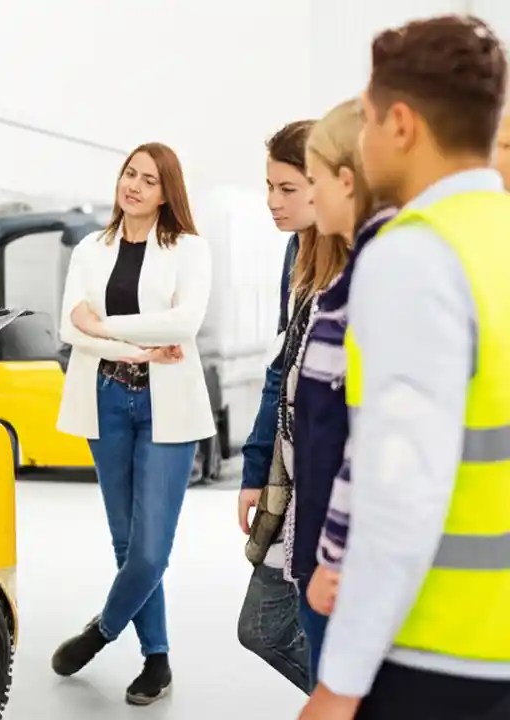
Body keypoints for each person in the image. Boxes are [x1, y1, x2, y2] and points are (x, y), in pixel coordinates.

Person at [300, 15, 510, 720]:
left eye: (363, 119)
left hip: (437, 651)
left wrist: (339, 684)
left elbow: (401, 492)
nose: (359, 141)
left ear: (400, 124)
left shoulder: (415, 256)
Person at [50, 142, 216, 706]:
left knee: (149, 549)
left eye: (149, 179)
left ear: (168, 192)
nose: (135, 185)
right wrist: (139, 348)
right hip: (106, 399)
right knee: (126, 542)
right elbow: (70, 329)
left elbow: (185, 321)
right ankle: (157, 658)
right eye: (129, 173)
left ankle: (100, 631)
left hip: (167, 407)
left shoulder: (190, 248)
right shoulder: (90, 249)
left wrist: (107, 326)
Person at [283, 98, 392, 682]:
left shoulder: (381, 276)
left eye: (313, 181)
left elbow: (381, 437)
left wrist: (335, 555)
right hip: (322, 540)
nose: (306, 197)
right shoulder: (348, 281)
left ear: (346, 181)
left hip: (347, 561)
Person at [235, 119, 315, 694]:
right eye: (269, 186)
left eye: (286, 189)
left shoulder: (370, 255)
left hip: (337, 483)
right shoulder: (296, 249)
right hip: (289, 472)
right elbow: (280, 366)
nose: (272, 202)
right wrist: (254, 470)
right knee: (262, 626)